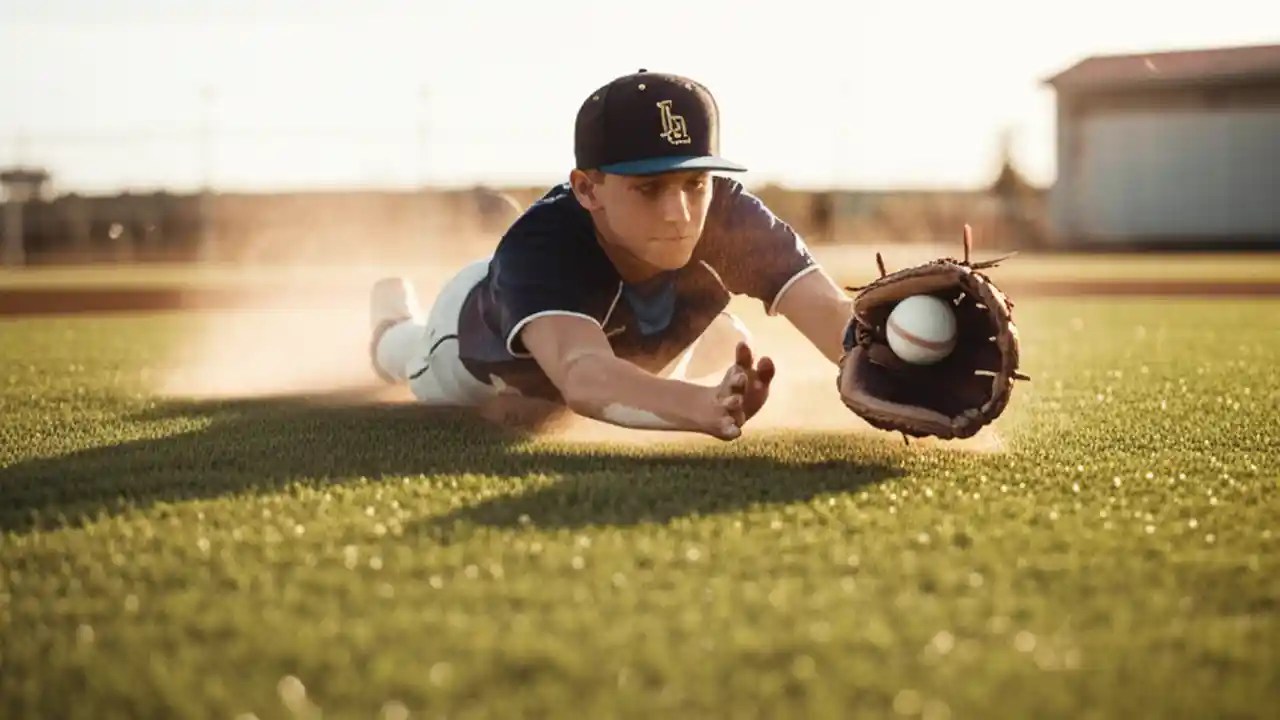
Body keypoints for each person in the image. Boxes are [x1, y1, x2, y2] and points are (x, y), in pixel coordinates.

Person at [370, 69, 854, 440]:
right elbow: (583, 375)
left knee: (729, 339)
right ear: (586, 188)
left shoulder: (728, 214)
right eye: (649, 188)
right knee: (406, 353)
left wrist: (900, 364)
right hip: (466, 344)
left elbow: (831, 311)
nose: (679, 212)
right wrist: (697, 405)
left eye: (695, 182)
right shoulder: (542, 243)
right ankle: (390, 325)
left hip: (619, 342)